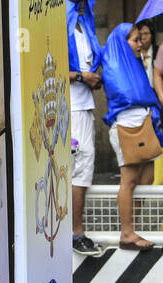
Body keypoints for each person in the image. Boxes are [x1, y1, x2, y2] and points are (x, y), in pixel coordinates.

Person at [102, 20, 162, 251]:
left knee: (147, 178)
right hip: (126, 125)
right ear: (122, 41)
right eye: (135, 40)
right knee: (129, 181)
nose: (141, 44)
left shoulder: (134, 62)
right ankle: (127, 233)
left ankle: (132, 227)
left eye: (141, 39)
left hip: (144, 123)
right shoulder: (113, 60)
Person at [66, 0, 104, 256]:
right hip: (67, 105)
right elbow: (46, 68)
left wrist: (91, 79)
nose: (82, 5)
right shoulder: (59, 30)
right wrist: (81, 77)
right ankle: (74, 232)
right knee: (78, 168)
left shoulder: (83, 27)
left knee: (83, 166)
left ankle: (75, 230)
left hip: (84, 103)